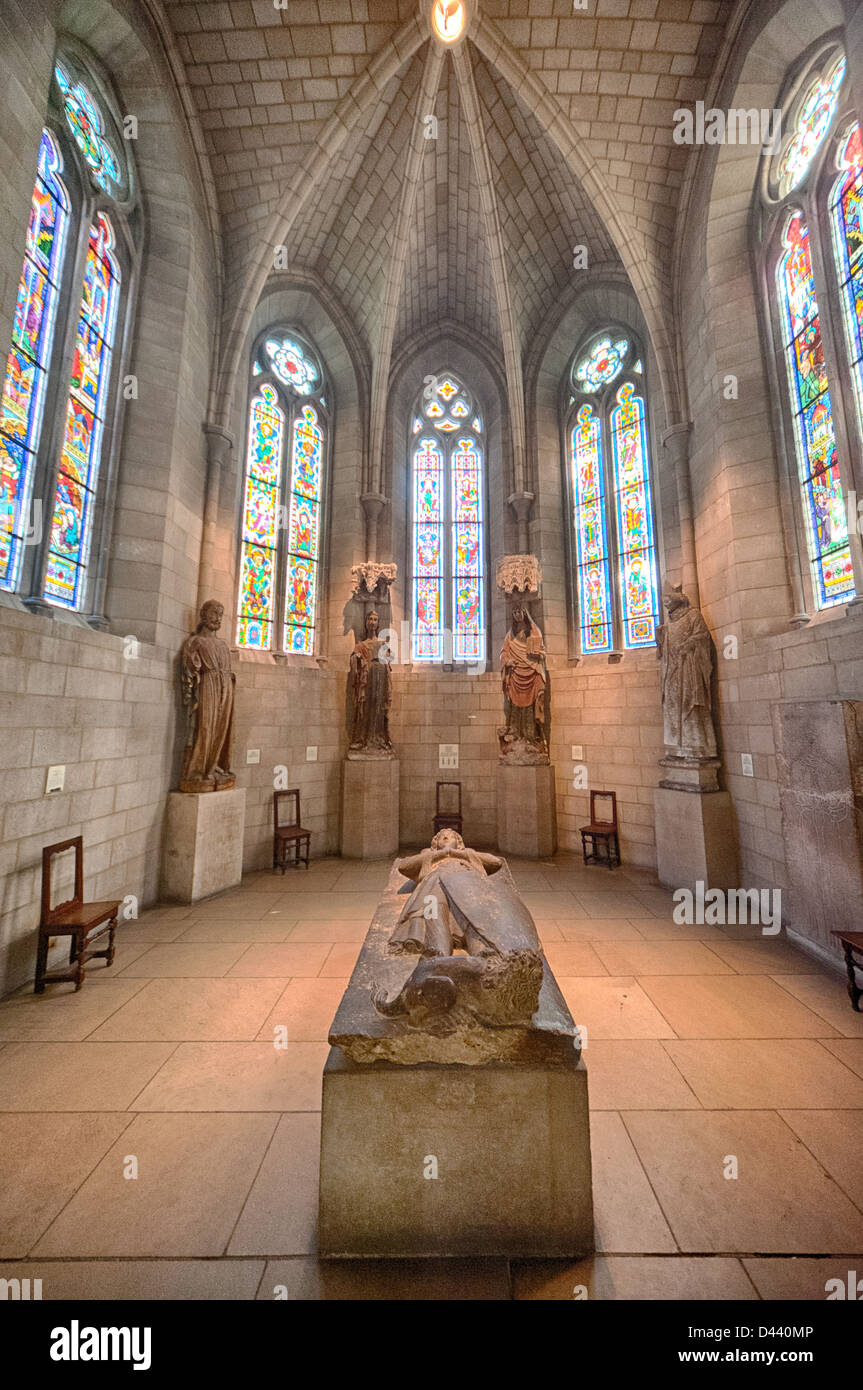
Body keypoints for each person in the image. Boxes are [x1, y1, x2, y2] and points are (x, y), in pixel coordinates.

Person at [179, 599, 236, 792]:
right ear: (204, 615)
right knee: (206, 726)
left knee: (221, 727)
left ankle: (213, 765)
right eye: (213, 613)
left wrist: (229, 679)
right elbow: (189, 669)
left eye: (220, 614)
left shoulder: (222, 645)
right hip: (208, 686)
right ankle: (197, 770)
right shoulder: (195, 642)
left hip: (225, 687)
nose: (217, 618)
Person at [657, 582, 717, 758]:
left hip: (688, 670)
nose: (666, 603)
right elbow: (664, 650)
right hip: (671, 672)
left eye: (668, 599)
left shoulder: (693, 615)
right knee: (672, 707)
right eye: (664, 600)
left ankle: (696, 748)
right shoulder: (669, 622)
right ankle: (676, 747)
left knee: (690, 706)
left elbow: (702, 637)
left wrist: (688, 644)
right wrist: (660, 639)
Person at [499, 604, 549, 756]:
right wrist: (507, 661)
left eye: (519, 612)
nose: (517, 615)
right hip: (515, 675)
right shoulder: (510, 635)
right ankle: (515, 737)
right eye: (514, 612)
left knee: (533, 706)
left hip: (531, 673)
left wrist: (538, 655)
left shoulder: (534, 632)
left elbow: (542, 653)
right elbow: (503, 653)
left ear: (525, 613)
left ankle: (532, 738)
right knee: (515, 706)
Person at [346, 609, 393, 756]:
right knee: (364, 709)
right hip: (367, 682)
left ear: (378, 623)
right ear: (366, 623)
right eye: (370, 619)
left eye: (375, 620)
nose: (372, 622)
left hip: (380, 681)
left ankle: (378, 738)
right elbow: (353, 660)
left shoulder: (382, 643)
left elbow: (388, 663)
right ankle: (363, 738)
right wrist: (357, 658)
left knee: (379, 709)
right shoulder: (361, 645)